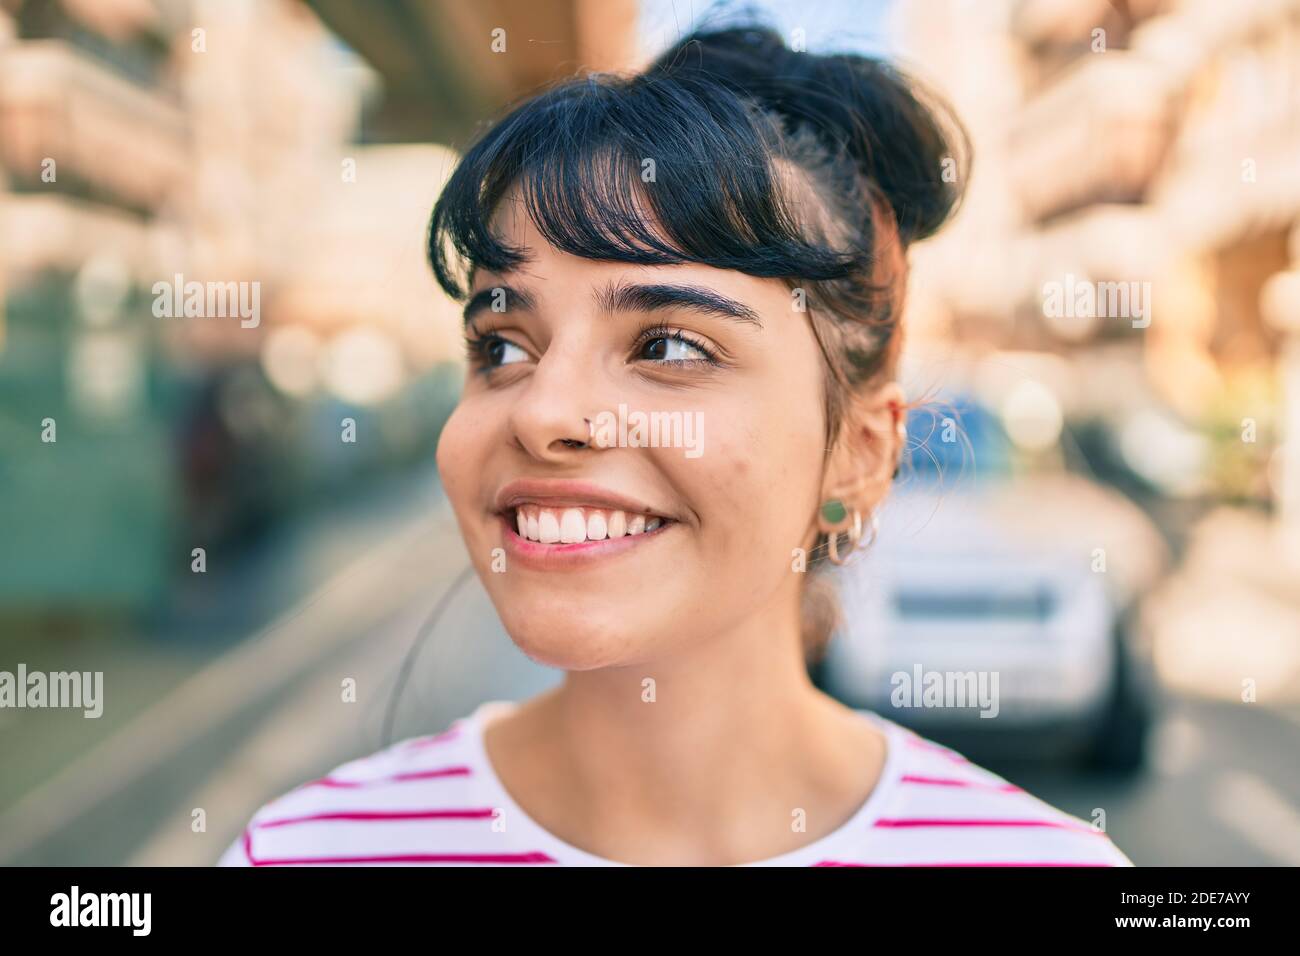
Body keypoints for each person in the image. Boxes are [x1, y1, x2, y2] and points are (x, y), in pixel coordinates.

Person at [218, 24, 1134, 867]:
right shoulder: (303, 855)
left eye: (668, 347)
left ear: (857, 454)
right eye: (501, 345)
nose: (544, 414)